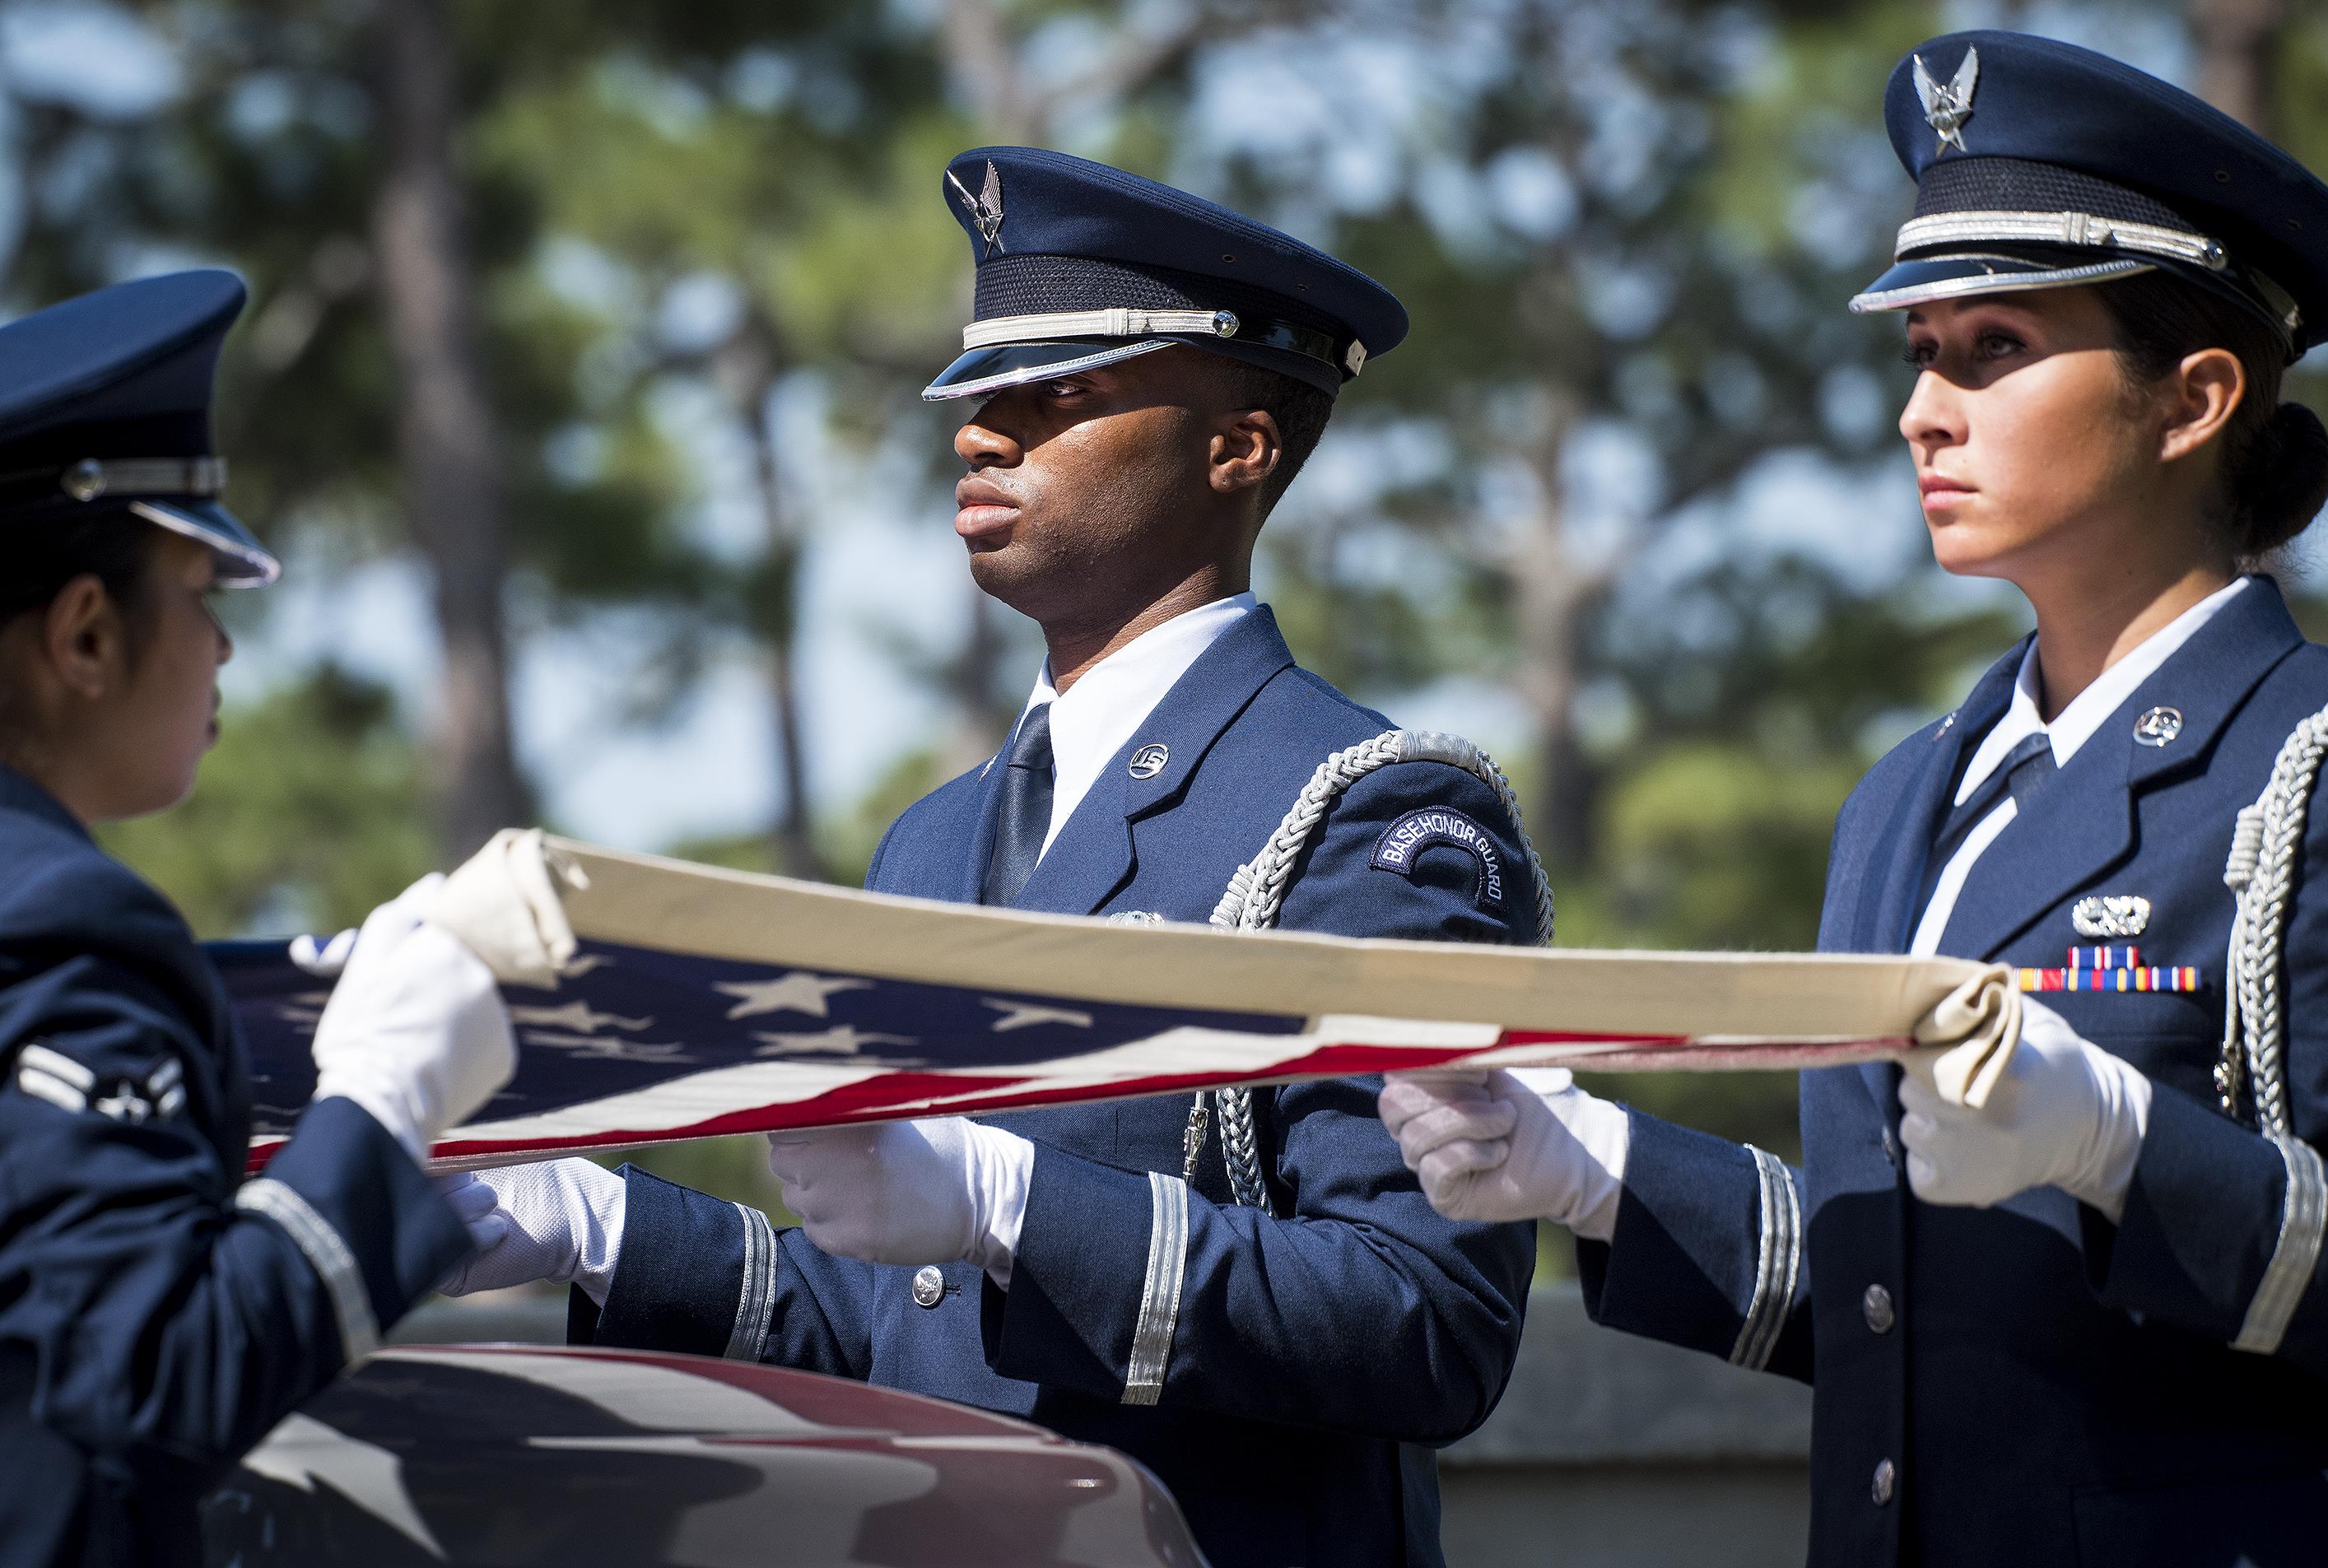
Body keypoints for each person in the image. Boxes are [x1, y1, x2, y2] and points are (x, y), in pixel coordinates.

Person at [1381, 31, 2328, 1568]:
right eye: (1920, 352)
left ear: (2195, 397)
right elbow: (1904, 1315)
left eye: (1995, 347)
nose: (1925, 411)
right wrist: (1604, 1173)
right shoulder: (1911, 798)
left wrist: (2125, 1147)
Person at [443, 149, 1546, 1566]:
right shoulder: (935, 837)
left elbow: (1430, 1322)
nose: (979, 432)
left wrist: (1011, 1204)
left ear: (1239, 446)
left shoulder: (1366, 812)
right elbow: (893, 1327)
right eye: (981, 392)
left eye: (1063, 393)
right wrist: (596, 1223)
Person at [0, 271, 520, 1566]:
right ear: (85, 635)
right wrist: (383, 1104)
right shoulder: (71, 927)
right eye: (204, 593)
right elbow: (159, 1378)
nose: (225, 650)